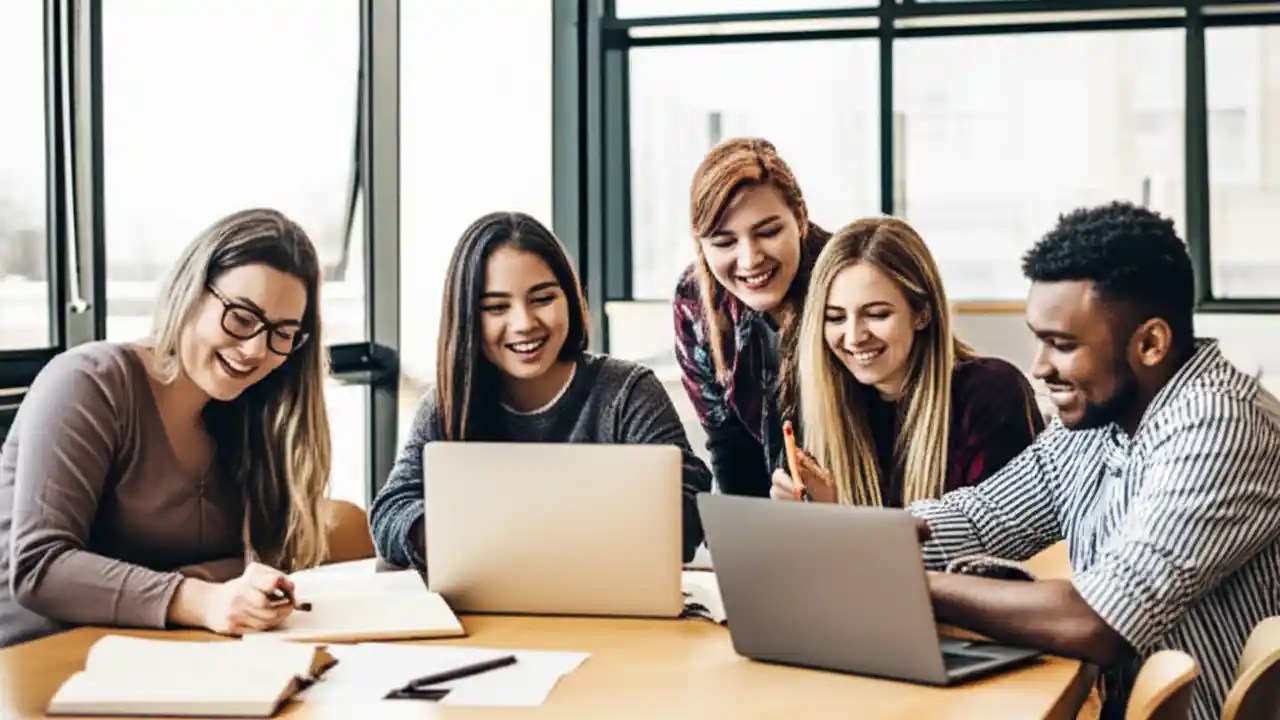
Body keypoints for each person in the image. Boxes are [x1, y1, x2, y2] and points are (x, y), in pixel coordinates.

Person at [909, 202, 1280, 720]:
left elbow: (1100, 623)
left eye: (1062, 345)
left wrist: (911, 587)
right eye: (1039, 340)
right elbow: (981, 517)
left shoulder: (1220, 425)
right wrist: (866, 542)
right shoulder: (1098, 419)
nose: (1039, 368)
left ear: (1150, 343)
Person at [0, 208, 333, 647]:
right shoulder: (89, 382)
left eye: (282, 333)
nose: (255, 350)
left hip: (159, 656)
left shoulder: (243, 413)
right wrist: (200, 599)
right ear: (190, 291)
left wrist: (213, 591)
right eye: (241, 317)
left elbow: (247, 563)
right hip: (36, 665)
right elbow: (40, 567)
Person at [371, 211, 711, 568]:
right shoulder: (448, 404)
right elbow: (391, 511)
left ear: (569, 296)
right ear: (468, 318)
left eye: (542, 298)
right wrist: (460, 534)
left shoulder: (628, 393)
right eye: (496, 307)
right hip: (485, 608)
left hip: (609, 603)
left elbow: (689, 505)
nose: (524, 324)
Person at [768, 217, 1042, 506]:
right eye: (835, 318)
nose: (853, 337)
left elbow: (999, 542)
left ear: (922, 312)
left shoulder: (991, 393)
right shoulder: (817, 406)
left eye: (876, 314)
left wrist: (839, 519)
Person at [673, 137, 831, 498]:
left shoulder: (847, 278)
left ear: (800, 217)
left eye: (769, 232)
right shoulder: (695, 303)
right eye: (724, 242)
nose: (750, 260)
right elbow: (727, 444)